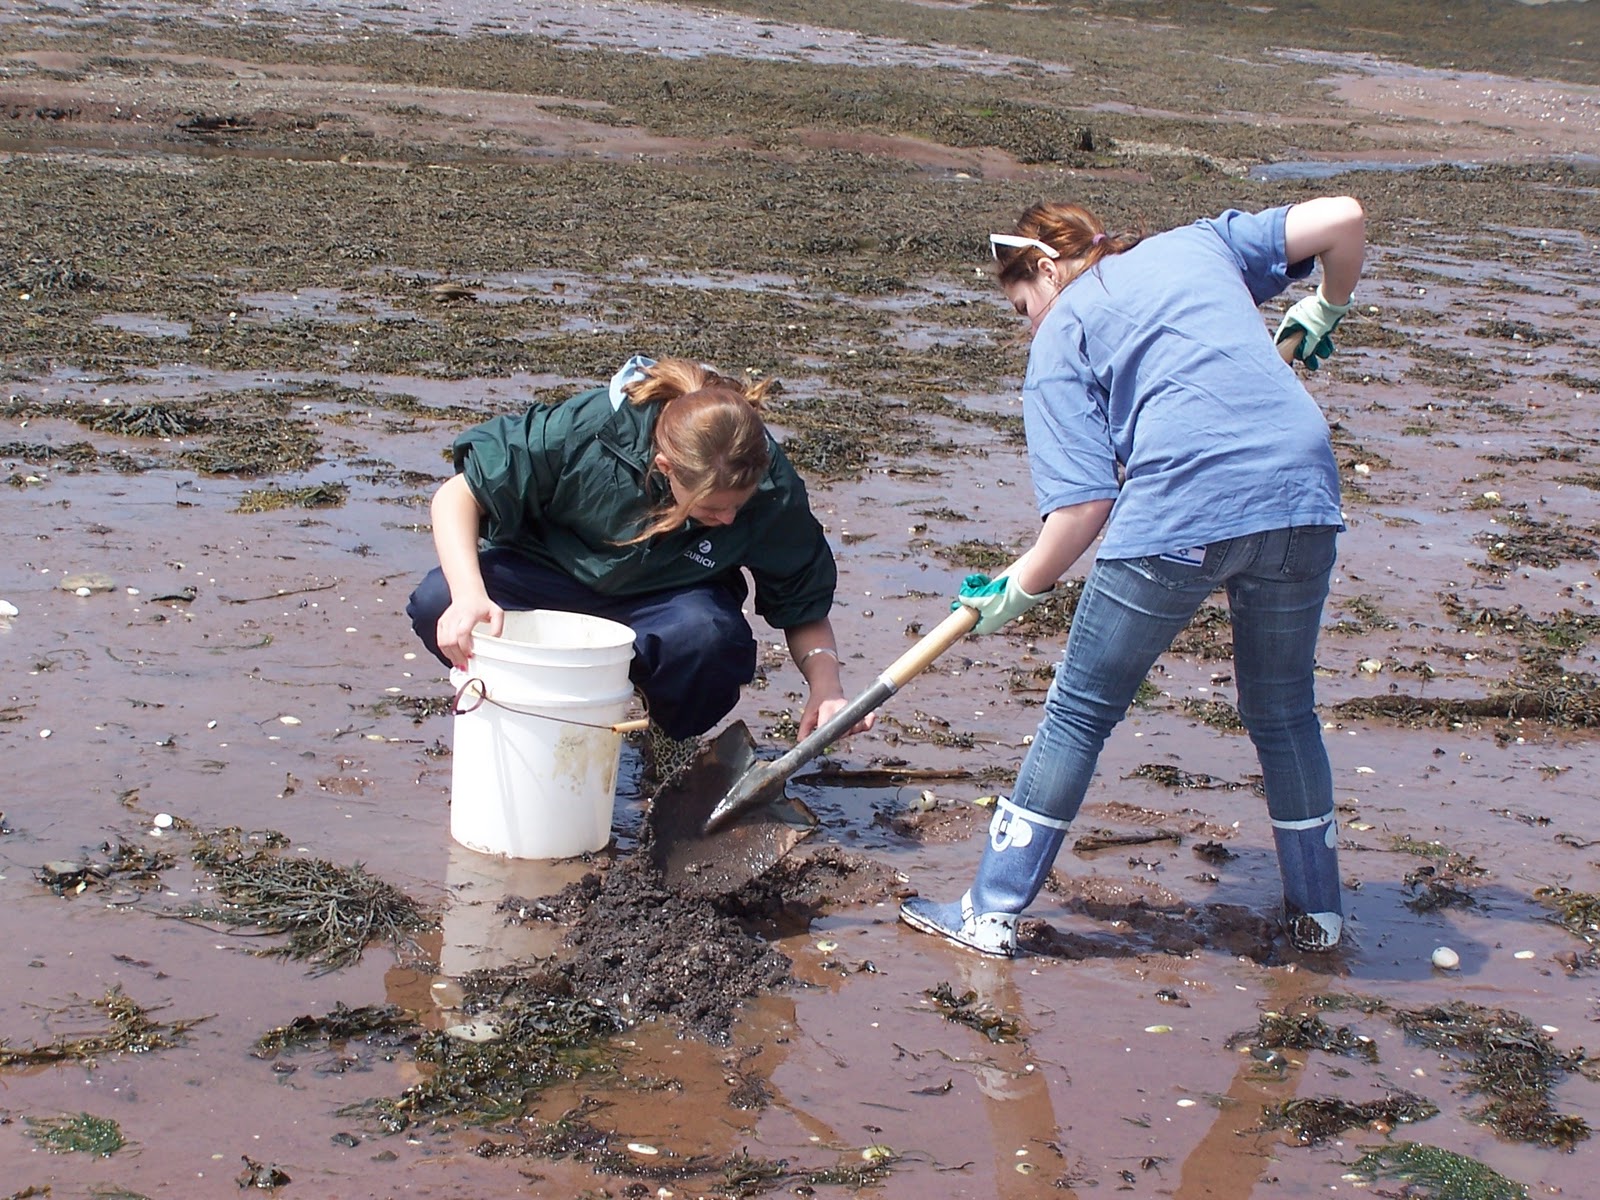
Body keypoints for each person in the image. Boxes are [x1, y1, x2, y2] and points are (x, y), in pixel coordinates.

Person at [899, 195, 1366, 957]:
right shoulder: (1198, 245)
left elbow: (1082, 508)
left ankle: (988, 914)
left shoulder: (1061, 339)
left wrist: (1018, 589)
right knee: (1284, 714)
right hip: (1302, 494)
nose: (1031, 327)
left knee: (1081, 710)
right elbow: (1344, 217)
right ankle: (1320, 918)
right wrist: (1327, 306)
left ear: (1045, 269)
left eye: (1023, 308)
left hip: (1182, 508)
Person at [407, 354, 868, 786]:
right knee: (439, 602)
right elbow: (459, 494)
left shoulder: (769, 485)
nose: (728, 520)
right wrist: (469, 594)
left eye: (736, 508)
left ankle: (669, 733)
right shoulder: (588, 430)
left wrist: (826, 687)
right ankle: (528, 716)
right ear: (665, 468)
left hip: (669, 598)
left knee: (709, 641)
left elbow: (801, 601)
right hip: (548, 572)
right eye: (712, 508)